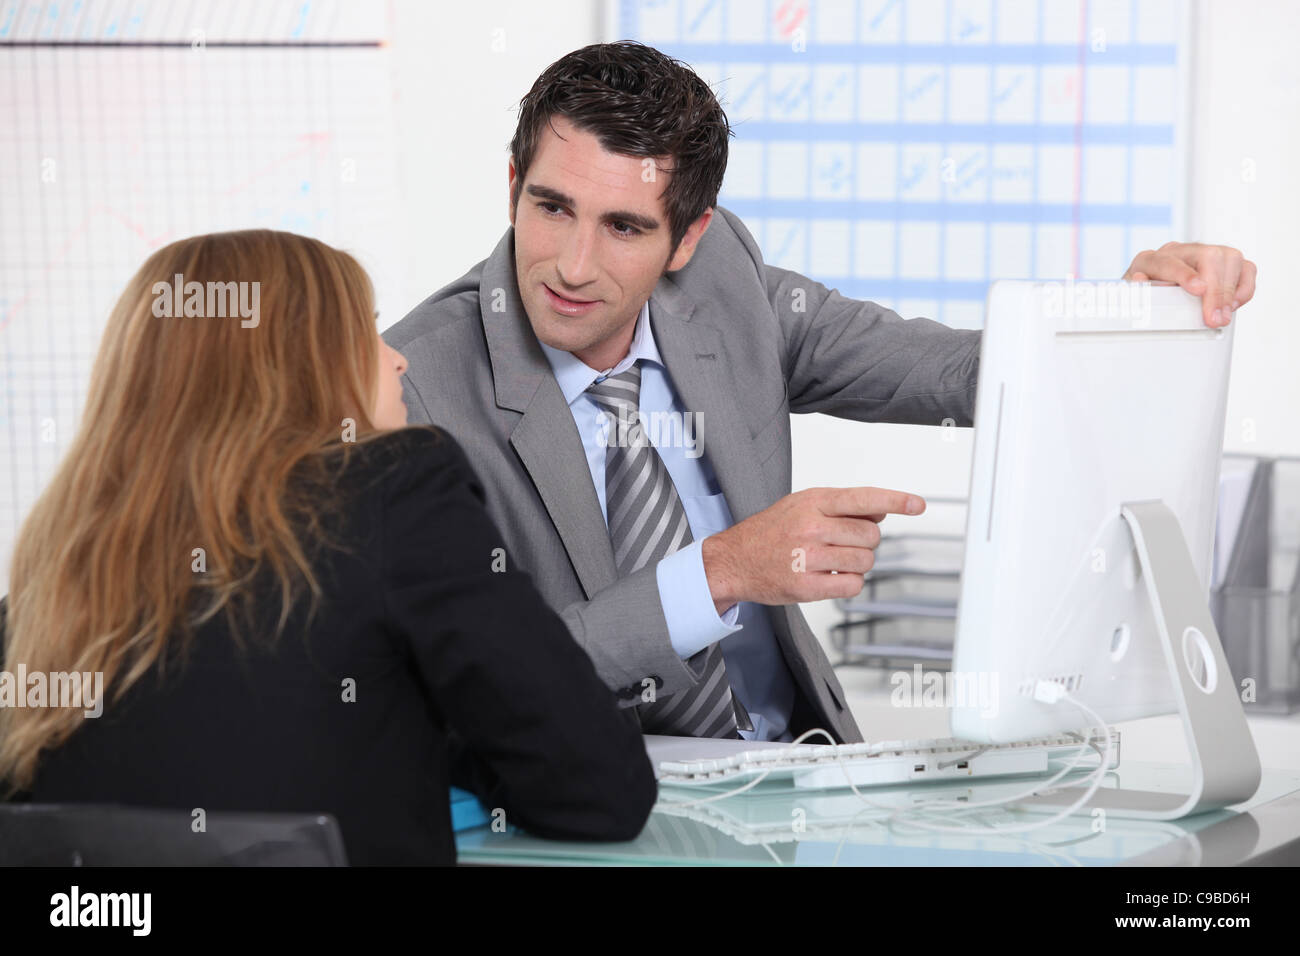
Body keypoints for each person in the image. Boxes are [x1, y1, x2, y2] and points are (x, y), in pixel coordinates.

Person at [384, 41, 1258, 745]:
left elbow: (943, 369)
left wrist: (1121, 317)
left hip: (804, 778)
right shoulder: (412, 390)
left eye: (624, 227)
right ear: (512, 186)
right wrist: (724, 570)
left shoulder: (721, 285)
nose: (572, 266)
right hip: (595, 811)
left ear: (690, 236)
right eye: (551, 208)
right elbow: (474, 683)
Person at [0, 230, 657, 865]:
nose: (396, 357)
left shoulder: (48, 585)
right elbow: (601, 787)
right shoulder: (396, 487)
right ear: (292, 366)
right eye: (363, 332)